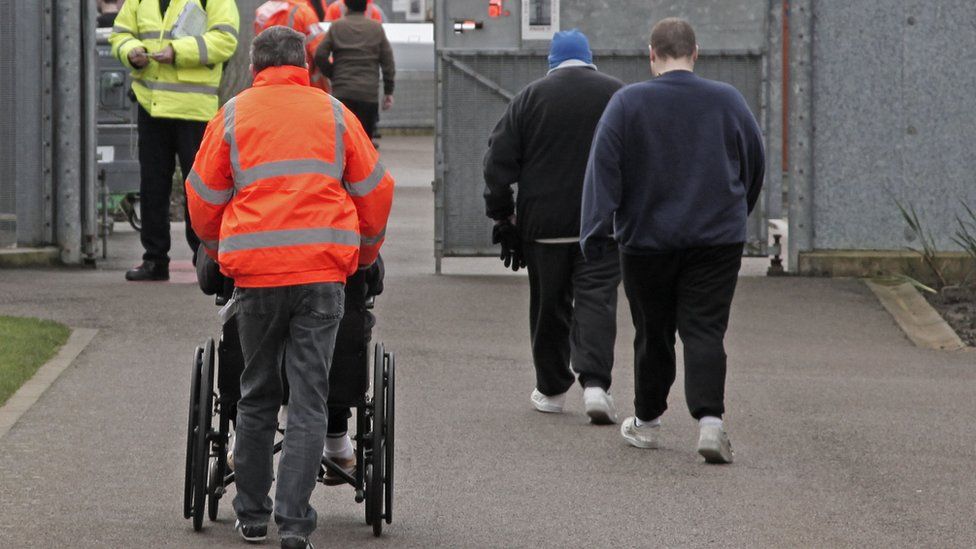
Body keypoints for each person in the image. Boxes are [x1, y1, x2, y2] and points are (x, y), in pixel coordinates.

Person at [185, 26, 394, 547]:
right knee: (309, 401)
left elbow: (202, 197)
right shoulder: (333, 113)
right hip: (323, 274)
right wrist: (362, 257)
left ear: (255, 66)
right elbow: (374, 191)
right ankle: (295, 524)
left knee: (254, 396)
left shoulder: (232, 115)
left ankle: (252, 516)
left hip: (255, 276)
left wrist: (218, 251)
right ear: (304, 64)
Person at [580, 18, 765, 463]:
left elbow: (602, 170)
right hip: (716, 240)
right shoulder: (728, 100)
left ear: (651, 54)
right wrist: (738, 213)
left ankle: (646, 423)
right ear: (695, 53)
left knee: (653, 332)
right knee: (705, 328)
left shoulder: (627, 103)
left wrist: (595, 231)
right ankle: (710, 424)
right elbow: (754, 161)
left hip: (647, 241)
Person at [483, 30, 624, 424]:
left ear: (552, 61)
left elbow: (497, 161)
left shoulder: (530, 97)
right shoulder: (616, 94)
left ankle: (552, 389)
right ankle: (596, 385)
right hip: (601, 223)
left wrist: (503, 214)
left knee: (549, 305)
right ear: (589, 58)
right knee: (596, 301)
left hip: (543, 225)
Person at [110, 0, 239, 281]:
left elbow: (225, 40)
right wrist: (130, 52)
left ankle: (205, 260)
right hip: (151, 104)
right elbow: (119, 33)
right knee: (152, 186)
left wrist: (177, 52)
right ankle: (155, 260)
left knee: (201, 190)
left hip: (193, 109)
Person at [313, 0, 395, 140]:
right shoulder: (376, 28)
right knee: (364, 141)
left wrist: (333, 73)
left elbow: (319, 55)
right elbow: (388, 62)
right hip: (368, 94)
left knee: (343, 141)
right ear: (365, 6)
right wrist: (388, 91)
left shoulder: (337, 27)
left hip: (342, 93)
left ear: (346, 6)